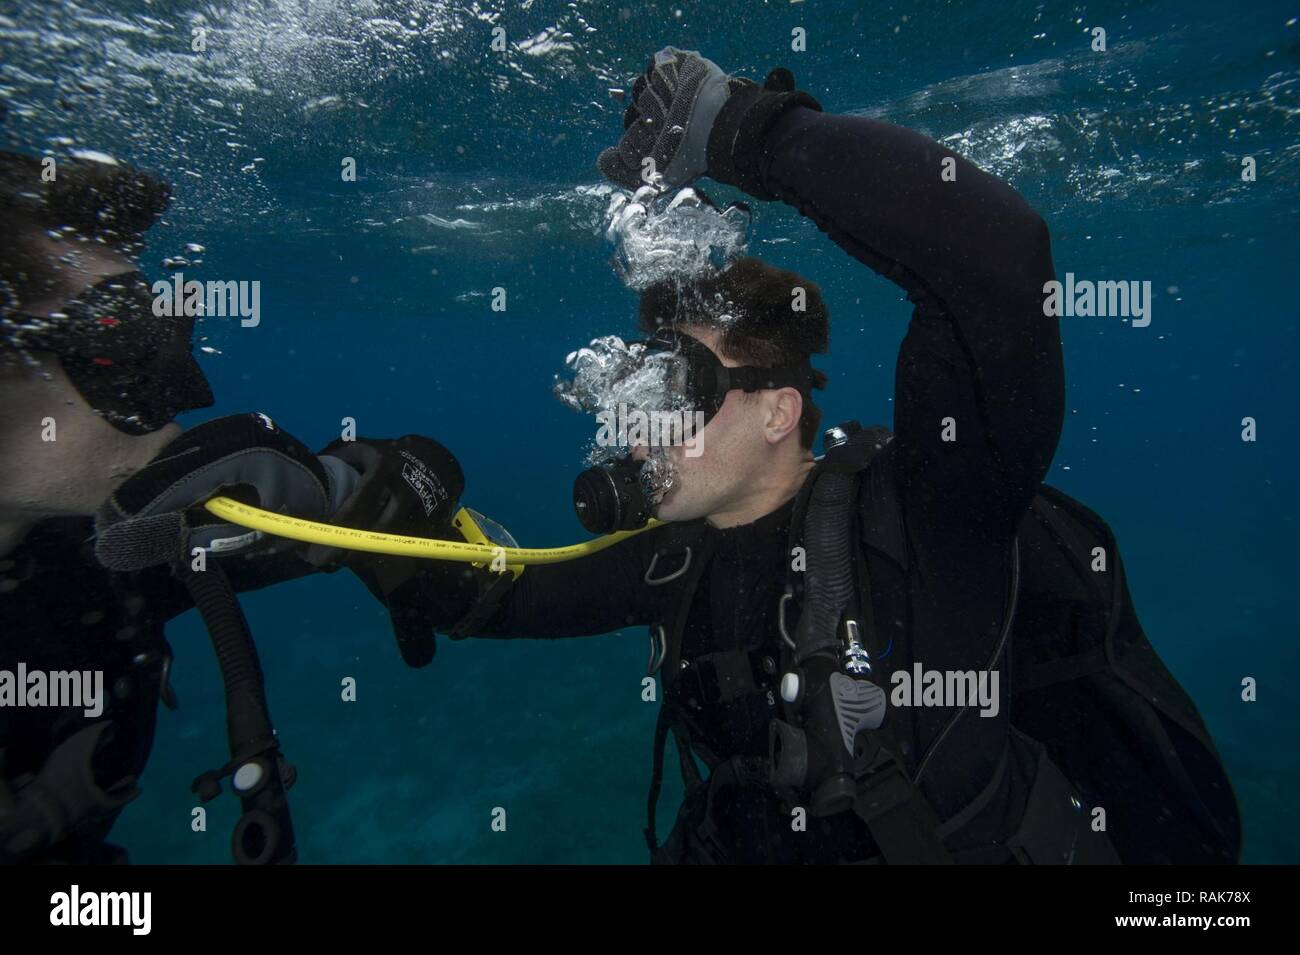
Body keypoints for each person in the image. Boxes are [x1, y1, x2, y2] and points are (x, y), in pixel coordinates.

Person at [418, 49, 1241, 864]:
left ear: (780, 411)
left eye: (679, 389)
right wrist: (339, 503)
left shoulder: (925, 518)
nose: (638, 425)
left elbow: (1001, 261)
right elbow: (497, 598)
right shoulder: (677, 558)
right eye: (641, 385)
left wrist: (752, 134)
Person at [0, 150, 456, 863]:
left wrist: (357, 489)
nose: (186, 399)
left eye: (169, 343)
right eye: (116, 353)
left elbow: (260, 535)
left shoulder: (81, 563)